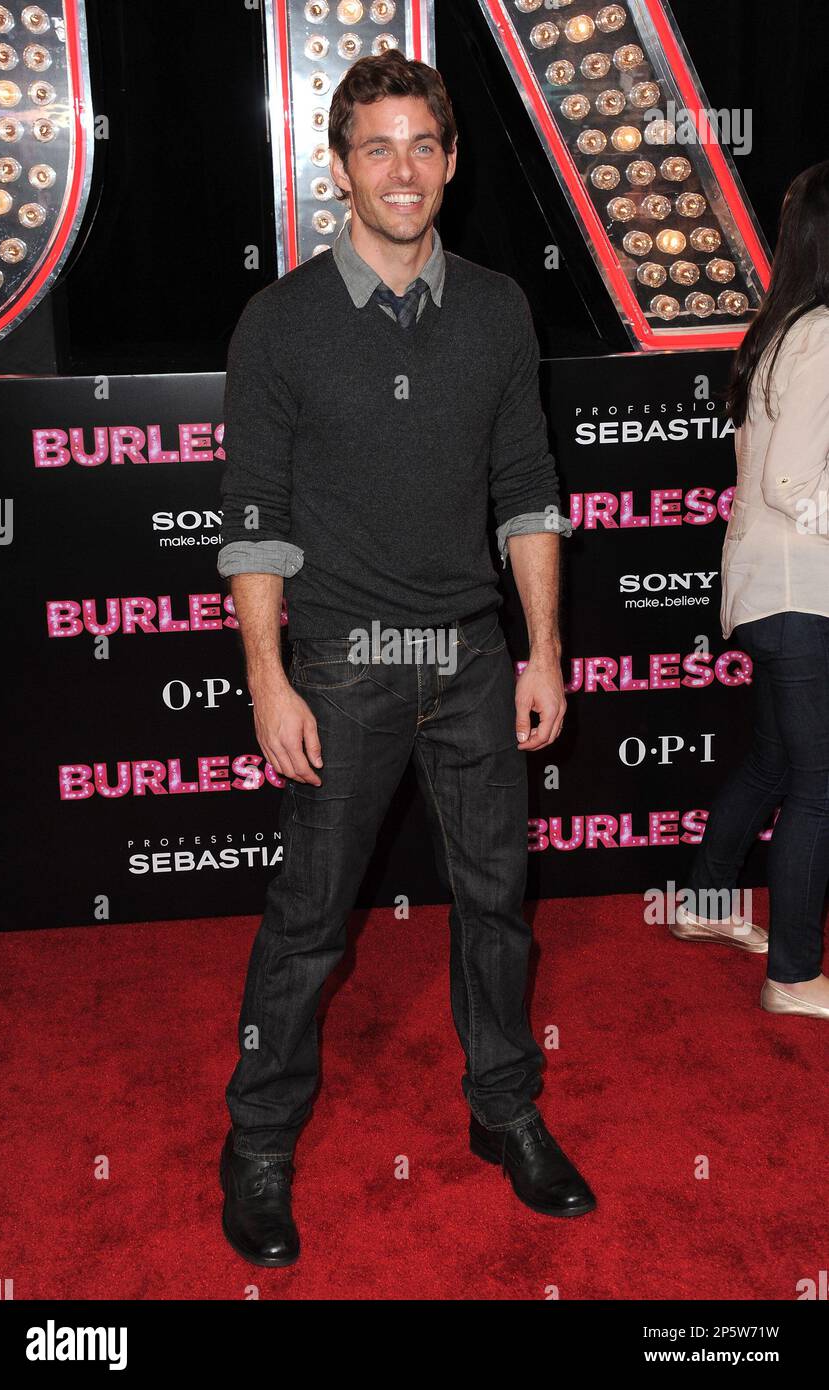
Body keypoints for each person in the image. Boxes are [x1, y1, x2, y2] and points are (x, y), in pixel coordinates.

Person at [214, 49, 594, 1267]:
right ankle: (258, 1140)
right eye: (375, 146)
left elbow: (527, 491)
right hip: (341, 664)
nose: (402, 169)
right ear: (337, 167)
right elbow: (255, 520)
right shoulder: (279, 321)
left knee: (497, 907)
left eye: (422, 145)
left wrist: (542, 652)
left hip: (476, 660)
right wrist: (270, 680)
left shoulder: (495, 307)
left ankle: (505, 1110)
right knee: (311, 921)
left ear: (449, 160)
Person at [672, 160, 829, 1020]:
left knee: (777, 761)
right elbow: (789, 484)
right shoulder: (822, 332)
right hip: (800, 588)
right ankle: (795, 975)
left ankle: (701, 903)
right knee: (818, 787)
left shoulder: (781, 327)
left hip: (768, 588)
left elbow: (753, 471)